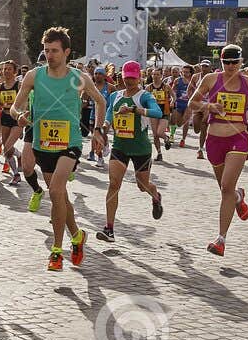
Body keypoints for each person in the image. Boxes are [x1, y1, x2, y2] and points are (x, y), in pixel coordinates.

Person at [12, 27, 107, 272]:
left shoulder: (79, 77)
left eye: (54, 51)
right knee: (60, 197)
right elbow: (15, 107)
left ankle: (56, 251)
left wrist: (97, 130)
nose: (50, 55)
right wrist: (20, 116)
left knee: (55, 190)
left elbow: (101, 100)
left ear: (66, 52)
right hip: (43, 145)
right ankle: (76, 235)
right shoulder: (34, 76)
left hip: (70, 144)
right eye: (46, 51)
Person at [185, 43, 248, 257]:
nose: (231, 66)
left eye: (235, 62)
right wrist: (209, 106)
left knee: (225, 185)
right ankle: (238, 197)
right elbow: (192, 103)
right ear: (221, 62)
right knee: (225, 190)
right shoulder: (210, 79)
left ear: (241, 61)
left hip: (239, 138)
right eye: (227, 62)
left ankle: (221, 239)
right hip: (214, 140)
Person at [99, 60, 165, 242]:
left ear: (139, 78)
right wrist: (104, 126)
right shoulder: (115, 96)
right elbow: (108, 115)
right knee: (113, 184)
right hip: (120, 147)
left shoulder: (144, 96)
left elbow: (158, 113)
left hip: (140, 149)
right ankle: (109, 229)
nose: (129, 82)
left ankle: (156, 195)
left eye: (133, 78)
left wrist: (134, 110)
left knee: (142, 186)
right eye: (127, 78)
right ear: (121, 77)